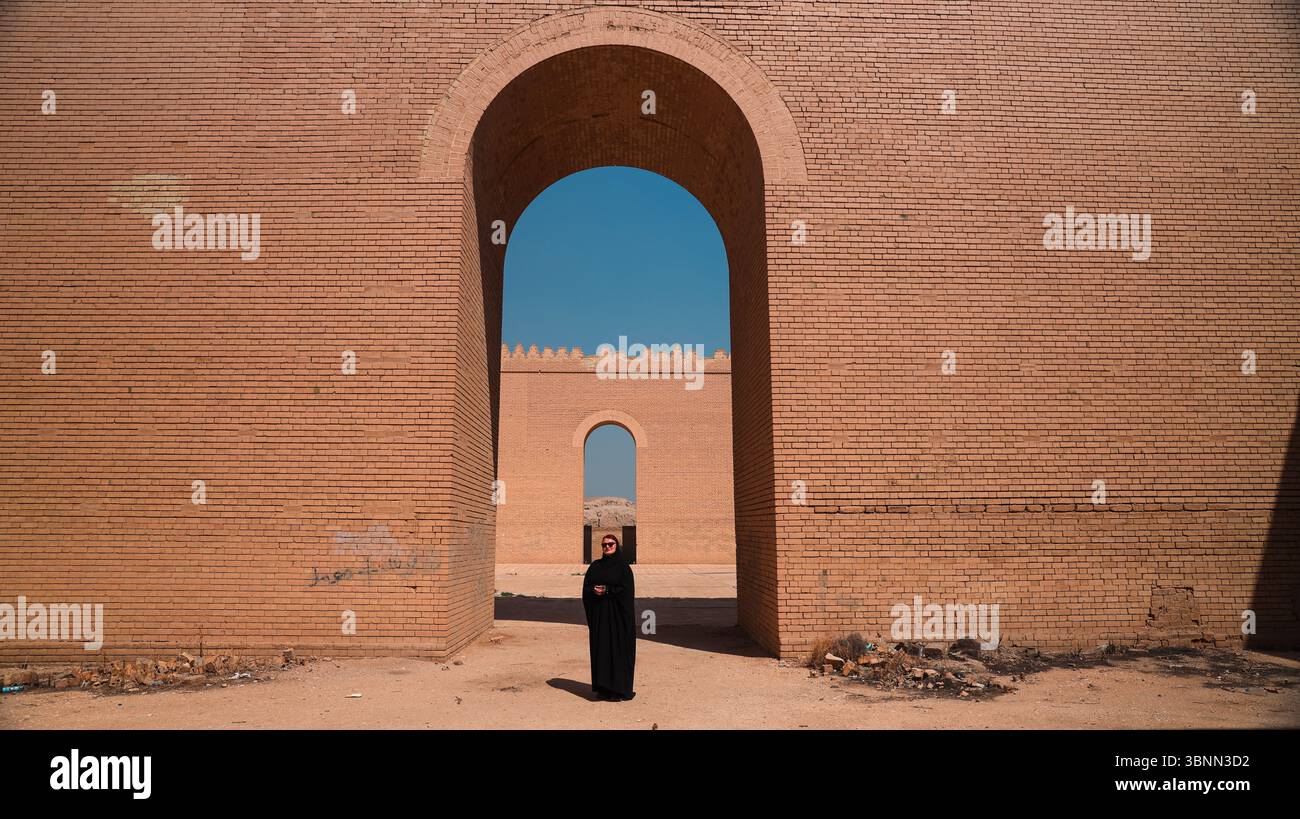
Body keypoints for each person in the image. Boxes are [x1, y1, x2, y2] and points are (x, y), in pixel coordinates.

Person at [581, 533, 636, 701]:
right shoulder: (595, 566)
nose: (607, 547)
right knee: (601, 650)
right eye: (604, 545)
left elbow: (626, 592)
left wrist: (608, 590)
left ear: (616, 545)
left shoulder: (624, 567)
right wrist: (593, 591)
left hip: (617, 617)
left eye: (610, 544)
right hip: (600, 617)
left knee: (618, 650)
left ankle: (619, 690)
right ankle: (603, 688)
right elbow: (586, 587)